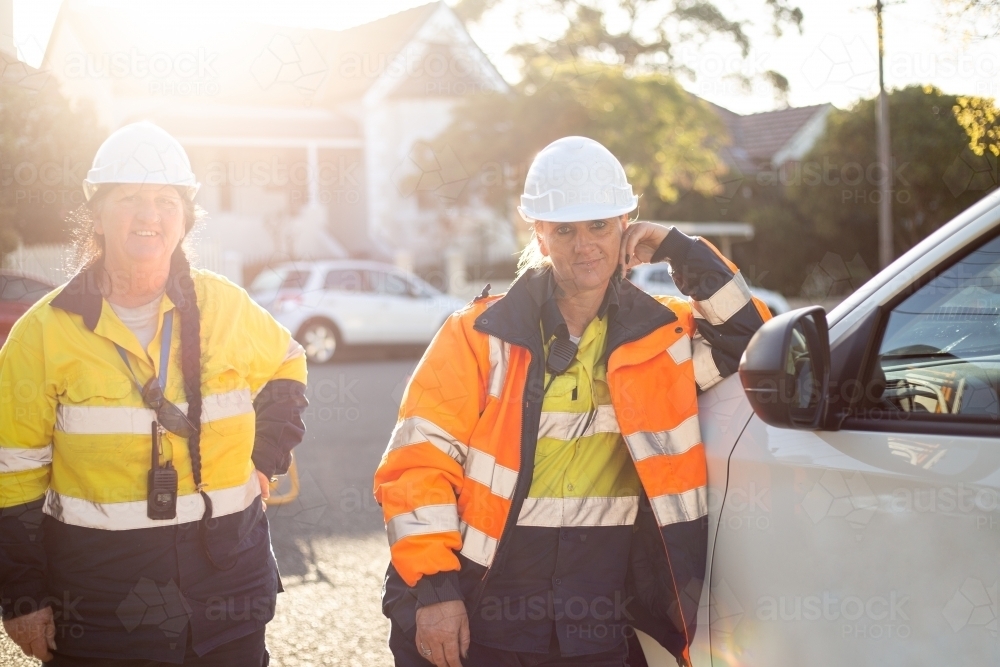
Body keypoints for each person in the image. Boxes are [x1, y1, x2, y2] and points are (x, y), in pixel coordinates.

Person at [374, 136, 771, 667]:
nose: (585, 245)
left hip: (596, 618)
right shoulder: (477, 334)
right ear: (539, 235)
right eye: (565, 229)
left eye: (600, 226)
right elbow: (416, 466)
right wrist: (435, 591)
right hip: (485, 606)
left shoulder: (663, 336)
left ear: (625, 223)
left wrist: (681, 250)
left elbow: (751, 338)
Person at [0, 122, 308, 665]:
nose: (150, 216)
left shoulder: (224, 306)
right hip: (102, 609)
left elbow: (289, 362)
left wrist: (265, 460)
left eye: (167, 200)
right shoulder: (41, 335)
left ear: (186, 217)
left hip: (228, 596)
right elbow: (11, 477)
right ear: (96, 214)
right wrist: (22, 598)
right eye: (131, 199)